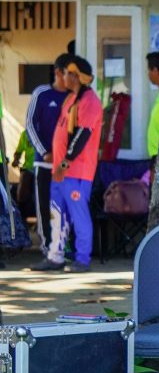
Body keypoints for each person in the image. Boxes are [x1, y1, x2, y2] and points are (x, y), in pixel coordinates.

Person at [34, 56, 103, 274]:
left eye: (66, 72)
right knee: (57, 214)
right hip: (62, 171)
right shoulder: (71, 99)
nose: (63, 76)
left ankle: (82, 259)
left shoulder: (90, 101)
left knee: (78, 215)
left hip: (77, 171)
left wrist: (64, 162)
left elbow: (82, 135)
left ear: (75, 75)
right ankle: (55, 256)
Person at [26, 51, 71, 256]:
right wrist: (44, 152)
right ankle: (48, 249)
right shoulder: (42, 93)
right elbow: (30, 124)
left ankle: (64, 247)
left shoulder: (75, 96)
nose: (72, 78)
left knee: (67, 207)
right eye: (68, 73)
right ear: (57, 72)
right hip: (44, 164)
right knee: (45, 208)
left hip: (68, 165)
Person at [11, 129, 35, 222]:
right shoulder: (25, 134)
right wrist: (16, 159)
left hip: (44, 168)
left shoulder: (48, 130)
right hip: (28, 168)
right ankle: (21, 219)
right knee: (22, 191)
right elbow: (19, 151)